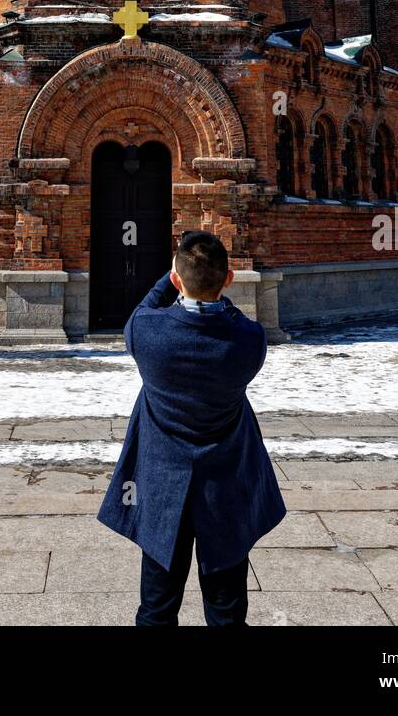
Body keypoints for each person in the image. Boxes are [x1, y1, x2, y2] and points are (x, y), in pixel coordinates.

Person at [97, 229, 286, 626]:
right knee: (227, 610)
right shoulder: (249, 341)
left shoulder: (147, 333)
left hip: (161, 486)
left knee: (156, 608)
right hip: (226, 486)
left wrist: (172, 279)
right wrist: (215, 289)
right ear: (229, 279)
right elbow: (233, 317)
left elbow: (145, 309)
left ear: (176, 279)